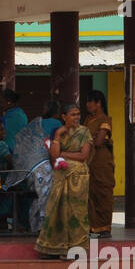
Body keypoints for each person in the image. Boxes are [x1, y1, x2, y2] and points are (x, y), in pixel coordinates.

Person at [34, 103, 93, 258]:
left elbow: (83, 156)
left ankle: (77, 249)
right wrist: (58, 136)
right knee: (57, 211)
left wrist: (63, 153)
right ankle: (54, 248)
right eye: (73, 114)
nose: (76, 117)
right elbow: (54, 155)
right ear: (64, 117)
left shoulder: (84, 132)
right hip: (60, 176)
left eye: (78, 114)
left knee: (77, 212)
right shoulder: (58, 132)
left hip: (78, 178)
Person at [84, 91, 115, 239]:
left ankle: (104, 227)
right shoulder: (88, 119)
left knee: (103, 192)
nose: (87, 105)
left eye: (91, 101)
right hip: (89, 161)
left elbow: (98, 141)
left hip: (102, 161)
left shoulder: (105, 120)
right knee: (90, 193)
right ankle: (93, 226)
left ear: (99, 103)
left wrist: (92, 137)